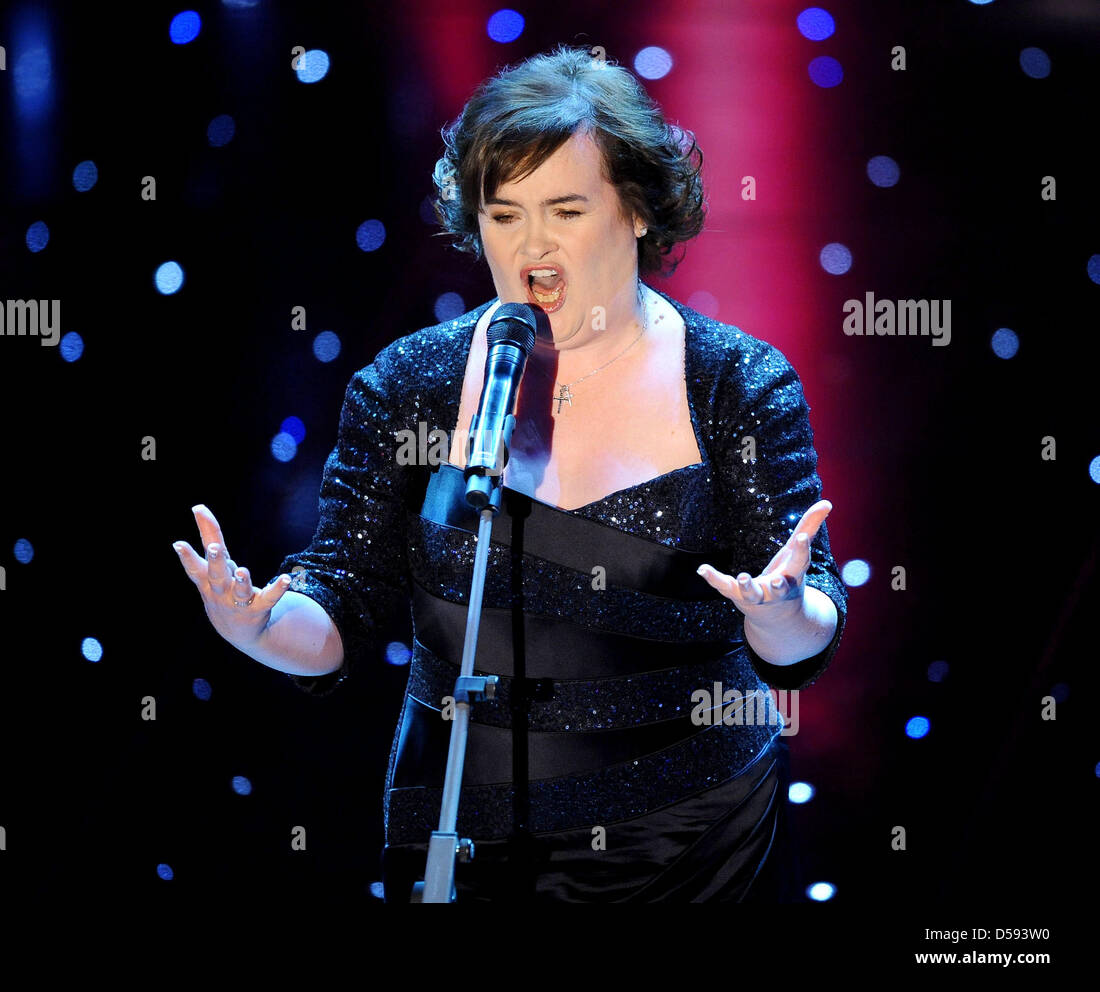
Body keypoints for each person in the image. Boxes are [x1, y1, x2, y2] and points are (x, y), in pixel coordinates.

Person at [173, 45, 847, 903]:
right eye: (503, 215)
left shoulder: (735, 384)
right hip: (464, 834)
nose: (533, 246)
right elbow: (341, 600)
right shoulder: (410, 384)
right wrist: (258, 629)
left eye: (565, 210)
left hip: (694, 844)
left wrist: (784, 614)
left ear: (639, 209)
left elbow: (801, 635)